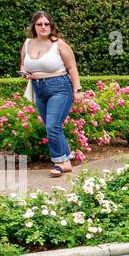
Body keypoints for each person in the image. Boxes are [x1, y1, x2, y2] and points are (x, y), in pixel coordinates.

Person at [19, 12, 84, 177]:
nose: (43, 27)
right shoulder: (27, 44)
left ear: (51, 26)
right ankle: (67, 162)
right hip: (38, 88)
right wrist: (24, 72)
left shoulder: (59, 44)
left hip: (60, 87)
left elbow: (72, 68)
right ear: (34, 26)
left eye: (46, 24)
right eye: (39, 24)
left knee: (52, 126)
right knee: (53, 126)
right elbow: (23, 66)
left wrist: (77, 90)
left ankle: (58, 163)